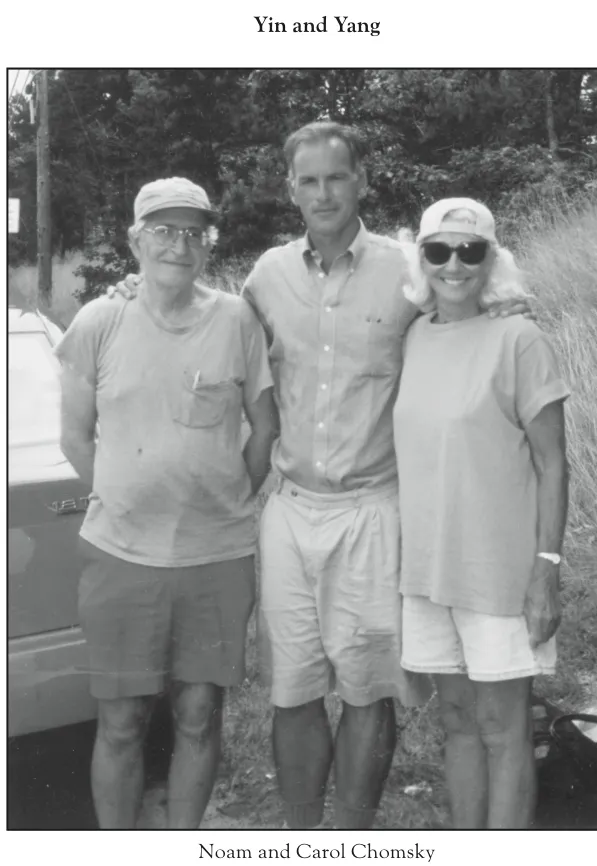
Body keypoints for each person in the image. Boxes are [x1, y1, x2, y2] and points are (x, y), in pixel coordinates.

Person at [111, 123, 532, 829]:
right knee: (292, 687)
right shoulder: (264, 277)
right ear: (289, 190)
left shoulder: (410, 268)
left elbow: (469, 303)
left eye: (336, 177)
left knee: (368, 690)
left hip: (375, 507)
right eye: (307, 181)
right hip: (289, 508)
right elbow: (206, 320)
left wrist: (508, 301)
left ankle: (353, 834)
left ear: (362, 179)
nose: (323, 193)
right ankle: (304, 831)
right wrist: (140, 282)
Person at [56, 177, 278, 829]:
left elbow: (263, 427)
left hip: (217, 558)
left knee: (198, 714)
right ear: (134, 241)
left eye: (194, 232)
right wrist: (120, 497)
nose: (178, 245)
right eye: (163, 230)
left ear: (208, 244)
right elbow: (74, 434)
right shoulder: (99, 320)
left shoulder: (236, 318)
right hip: (121, 559)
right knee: (121, 722)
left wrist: (235, 498)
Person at [394, 198, 570, 829]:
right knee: (457, 723)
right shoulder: (414, 335)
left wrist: (546, 570)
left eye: (471, 251)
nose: (455, 264)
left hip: (499, 573)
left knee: (503, 729)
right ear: (422, 259)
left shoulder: (519, 338)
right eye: (439, 251)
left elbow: (554, 464)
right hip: (429, 572)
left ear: (492, 259)